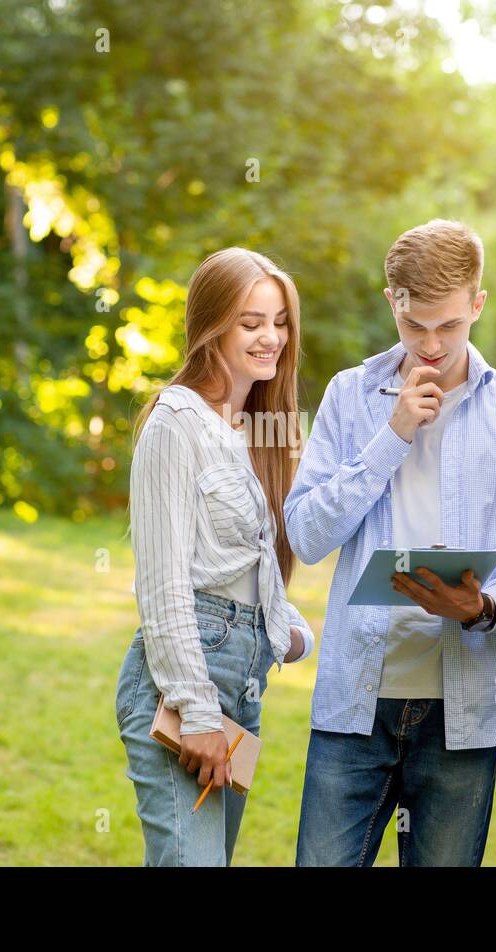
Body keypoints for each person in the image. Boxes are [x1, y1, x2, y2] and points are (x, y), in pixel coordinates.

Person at [285, 219, 496, 866]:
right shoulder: (350, 396)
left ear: (478, 304)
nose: (432, 345)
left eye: (450, 326)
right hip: (357, 701)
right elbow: (306, 534)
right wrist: (393, 435)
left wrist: (485, 606)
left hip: (464, 704)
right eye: (414, 326)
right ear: (392, 302)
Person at [116, 248, 316, 866]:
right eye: (250, 322)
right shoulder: (176, 422)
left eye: (279, 322)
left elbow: (246, 563)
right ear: (212, 327)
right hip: (183, 684)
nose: (270, 337)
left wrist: (284, 630)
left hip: (244, 683)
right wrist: (198, 712)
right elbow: (164, 586)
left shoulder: (254, 430)